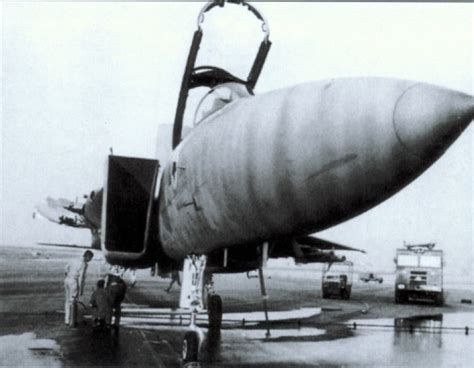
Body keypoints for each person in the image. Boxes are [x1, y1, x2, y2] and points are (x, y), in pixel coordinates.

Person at [64, 250, 94, 326]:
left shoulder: (74, 259)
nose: (90, 260)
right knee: (73, 301)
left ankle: (67, 319)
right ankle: (72, 321)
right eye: (90, 258)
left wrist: (68, 275)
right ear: (88, 257)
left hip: (67, 279)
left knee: (67, 301)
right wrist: (81, 289)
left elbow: (66, 268)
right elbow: (81, 278)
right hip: (74, 281)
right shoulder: (83, 264)